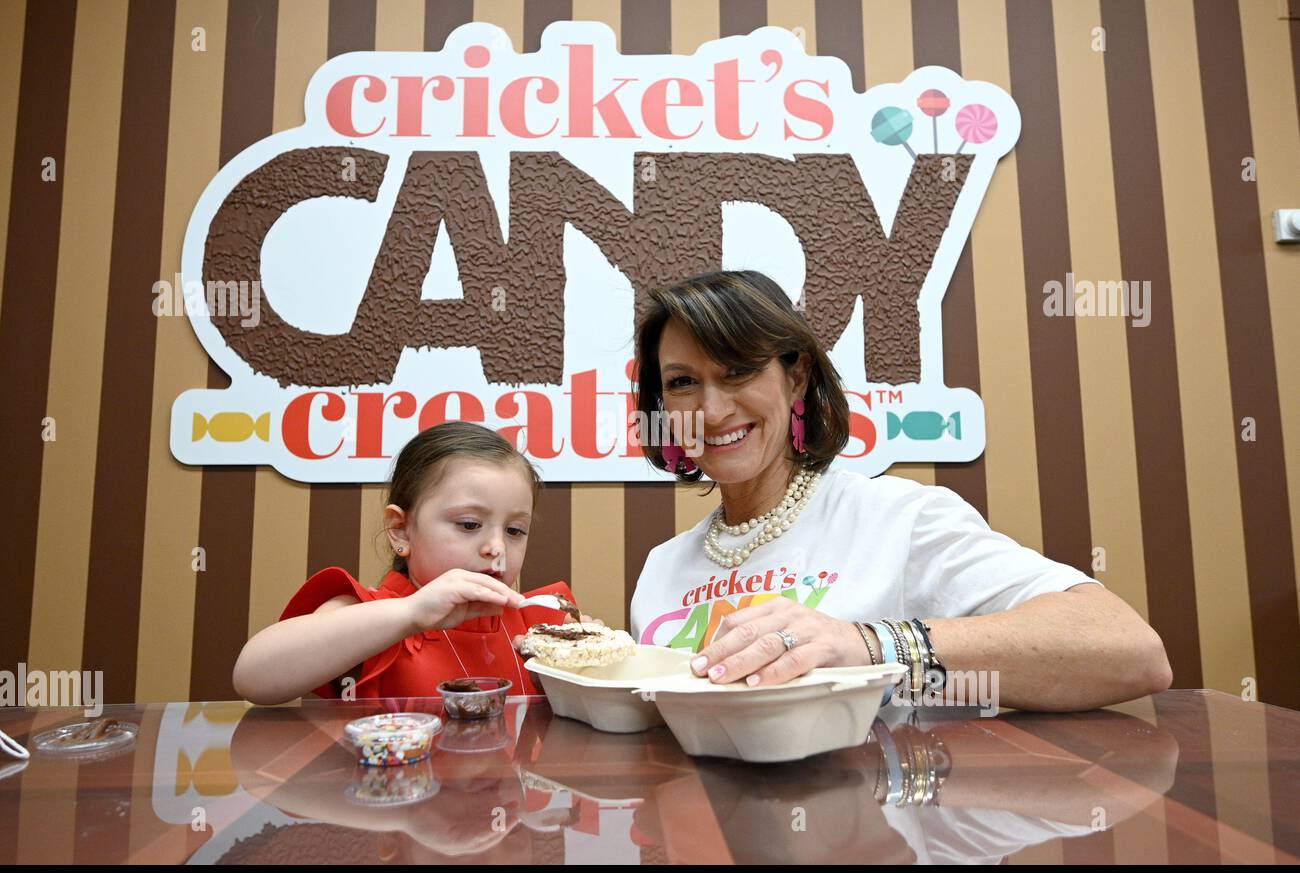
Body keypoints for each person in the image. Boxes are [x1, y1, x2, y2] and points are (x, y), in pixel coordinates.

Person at [628, 270, 1172, 712]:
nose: (713, 409)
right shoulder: (661, 569)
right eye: (682, 383)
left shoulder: (900, 519)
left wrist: (868, 644)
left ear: (796, 378)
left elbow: (1130, 650)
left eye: (739, 371)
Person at [233, 421, 579, 704]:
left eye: (515, 530)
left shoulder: (536, 624)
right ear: (400, 531)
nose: (495, 546)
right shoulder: (367, 613)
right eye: (469, 525)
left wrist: (576, 670)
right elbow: (252, 678)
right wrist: (409, 613)